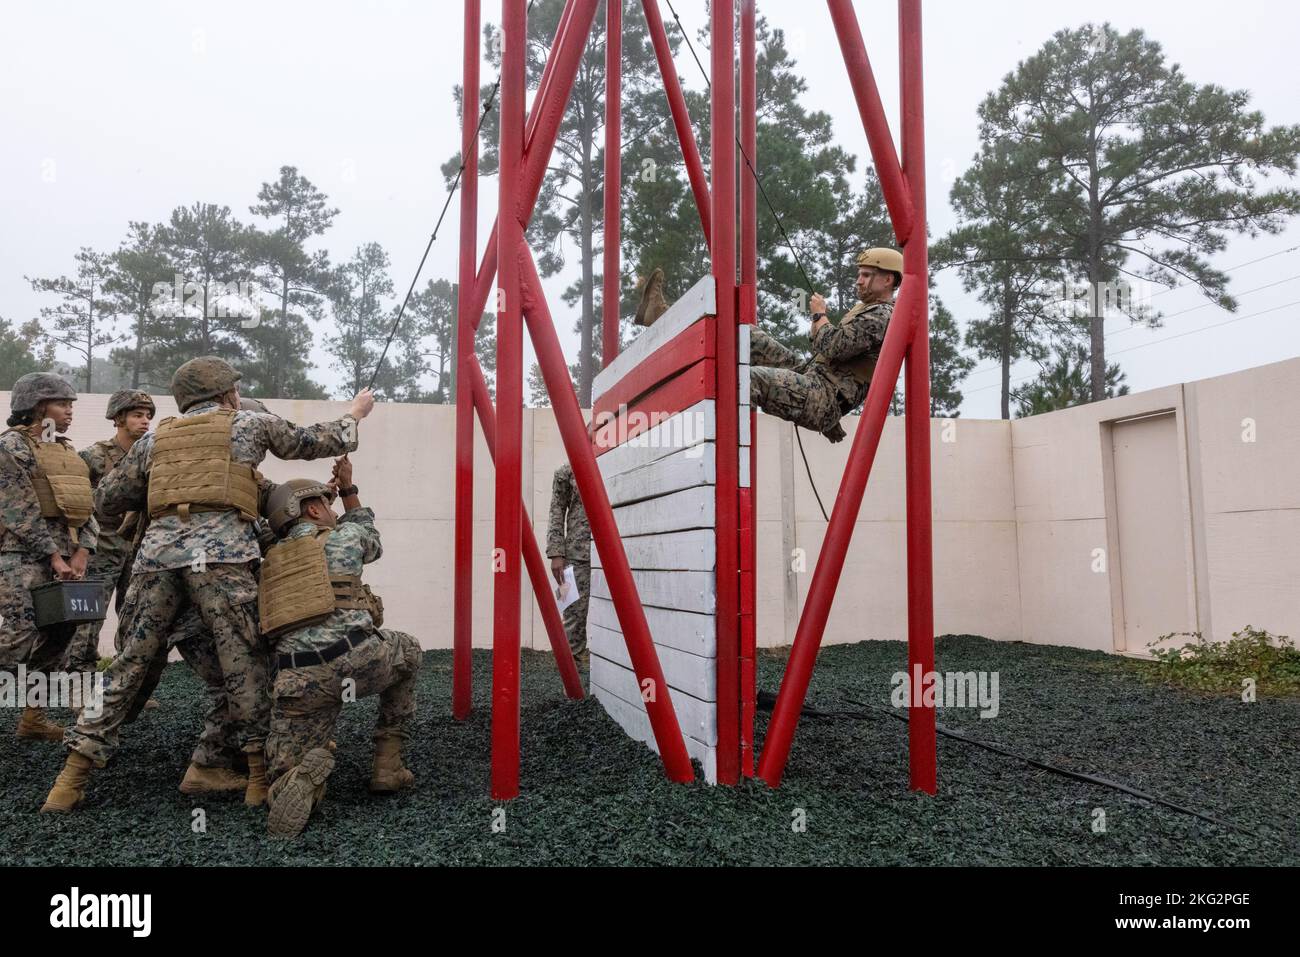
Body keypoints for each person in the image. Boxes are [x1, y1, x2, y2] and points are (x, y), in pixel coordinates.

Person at [40, 357, 374, 813]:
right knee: (245, 663)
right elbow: (315, 440)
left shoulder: (155, 438)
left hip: (156, 560)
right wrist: (355, 412)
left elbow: (108, 500)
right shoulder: (248, 424)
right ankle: (257, 779)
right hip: (222, 560)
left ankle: (68, 782)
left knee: (127, 667)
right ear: (227, 393)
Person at [261, 455, 421, 837]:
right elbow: (370, 536)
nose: (333, 512)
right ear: (314, 509)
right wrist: (348, 487)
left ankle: (300, 777)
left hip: (297, 680)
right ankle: (387, 766)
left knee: (281, 773)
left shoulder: (267, 559)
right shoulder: (344, 537)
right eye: (327, 505)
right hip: (358, 660)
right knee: (410, 651)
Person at [632, 248, 902, 442]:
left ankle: (716, 444)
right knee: (743, 334)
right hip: (812, 376)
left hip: (823, 395)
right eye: (860, 274)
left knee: (748, 380)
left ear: (888, 280)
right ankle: (660, 315)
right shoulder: (866, 311)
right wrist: (820, 325)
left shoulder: (881, 316)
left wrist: (820, 315)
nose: (858, 280)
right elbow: (825, 348)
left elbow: (832, 347)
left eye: (866, 275)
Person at [0, 372, 100, 741]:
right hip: (22, 557)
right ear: (37, 407)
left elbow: (88, 507)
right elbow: (18, 509)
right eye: (62, 404)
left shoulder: (66, 452)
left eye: (71, 404)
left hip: (66, 560)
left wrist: (83, 551)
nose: (69, 411)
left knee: (59, 636)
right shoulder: (10, 447)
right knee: (15, 641)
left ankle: (33, 719)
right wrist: (55, 556)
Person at [68, 390, 156, 686]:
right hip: (99, 547)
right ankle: (79, 683)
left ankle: (121, 687)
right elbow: (76, 501)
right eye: (137, 415)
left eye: (147, 416)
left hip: (137, 548)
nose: (145, 422)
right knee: (87, 617)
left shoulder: (150, 456)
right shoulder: (93, 455)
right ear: (119, 418)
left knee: (133, 614)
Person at [546, 461, 591, 662]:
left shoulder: (614, 461)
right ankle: (572, 667)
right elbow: (556, 513)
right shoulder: (566, 471)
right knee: (573, 614)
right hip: (578, 553)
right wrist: (556, 553)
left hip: (614, 550)